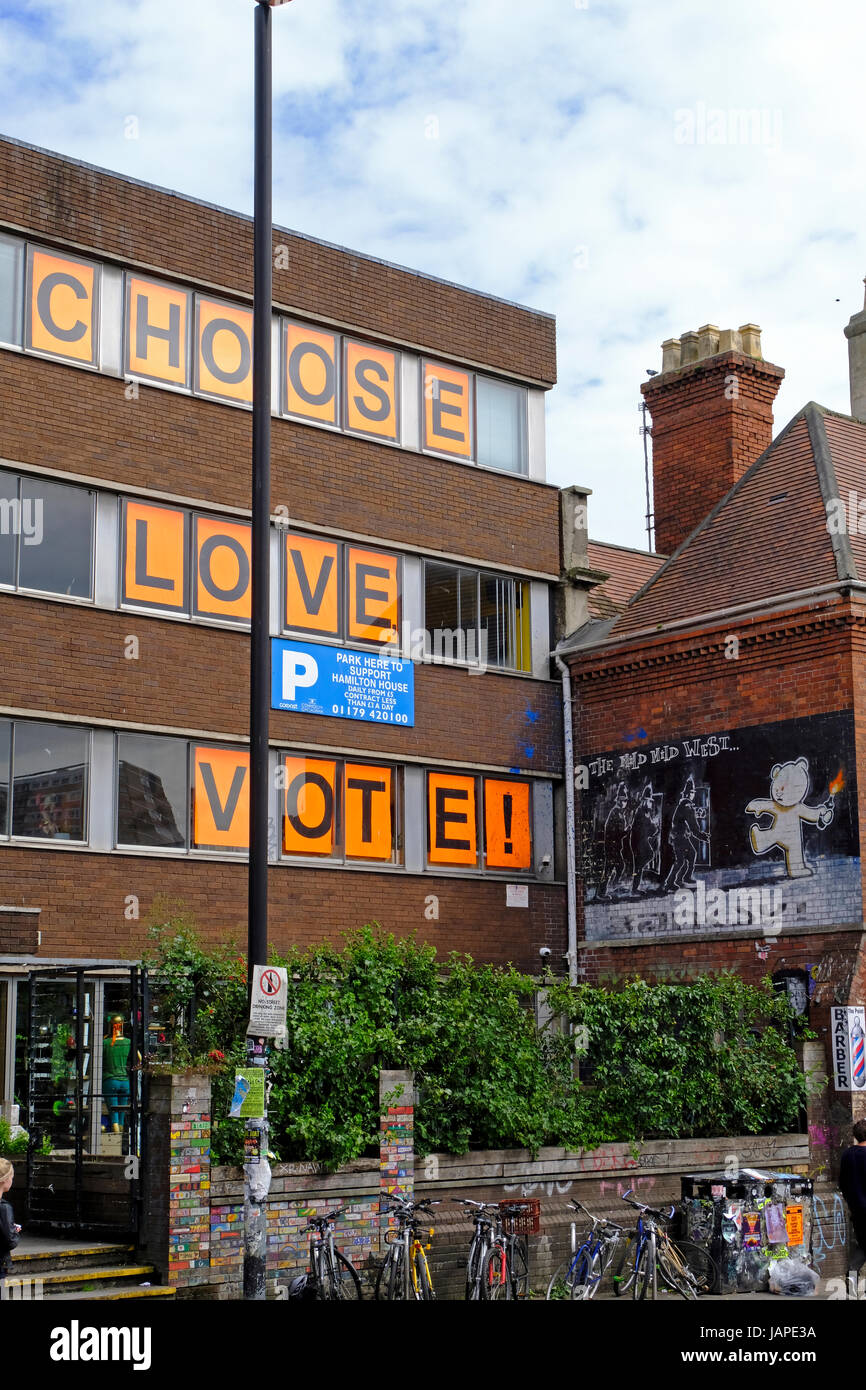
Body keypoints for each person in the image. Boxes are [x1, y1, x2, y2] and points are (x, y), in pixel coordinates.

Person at [840, 1118, 866, 1298]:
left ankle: (852, 1275)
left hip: (857, 1211)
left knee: (863, 1245)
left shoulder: (847, 1156)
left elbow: (842, 1183)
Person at [103, 1014, 132, 1134]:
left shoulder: (105, 1043)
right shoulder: (128, 1042)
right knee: (122, 1112)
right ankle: (121, 1140)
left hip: (110, 1080)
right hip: (125, 1081)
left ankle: (115, 1138)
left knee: (113, 1111)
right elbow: (140, 1059)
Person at [0, 1158, 21, 1285]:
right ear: (4, 1180)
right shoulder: (4, 1208)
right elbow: (10, 1240)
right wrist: (14, 1231)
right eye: (12, 1177)